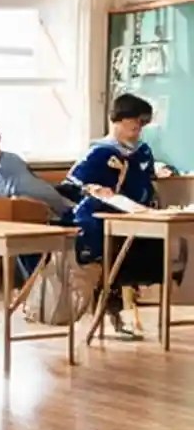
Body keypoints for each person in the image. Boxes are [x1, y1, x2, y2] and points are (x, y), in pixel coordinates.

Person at [65, 93, 166, 333]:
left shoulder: (142, 151)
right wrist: (92, 188)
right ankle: (111, 297)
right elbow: (73, 182)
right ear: (118, 120)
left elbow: (148, 175)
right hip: (102, 216)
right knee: (111, 247)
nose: (139, 127)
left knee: (154, 246)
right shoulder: (100, 152)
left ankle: (123, 294)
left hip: (138, 214)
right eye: (134, 121)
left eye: (142, 122)